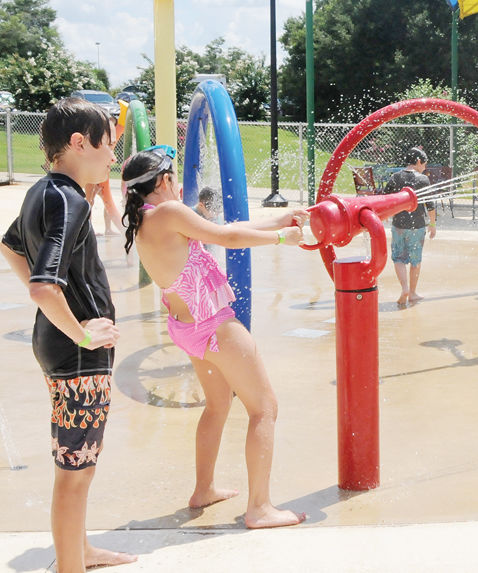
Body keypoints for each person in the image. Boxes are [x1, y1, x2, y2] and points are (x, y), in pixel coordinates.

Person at [121, 146, 307, 528]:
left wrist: (279, 221)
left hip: (187, 328)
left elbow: (224, 230)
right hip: (214, 325)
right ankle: (260, 507)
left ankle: (202, 490)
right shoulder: (171, 212)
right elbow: (228, 238)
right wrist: (282, 239)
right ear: (164, 180)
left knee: (218, 406)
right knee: (264, 408)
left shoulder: (145, 218)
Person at [0, 98, 136, 572]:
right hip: (77, 356)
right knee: (75, 473)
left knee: (75, 465)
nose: (112, 158)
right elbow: (42, 285)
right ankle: (70, 566)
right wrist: (80, 332)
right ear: (79, 143)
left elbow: (11, 245)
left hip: (57, 346)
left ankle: (77, 551)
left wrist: (63, 321)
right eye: (106, 146)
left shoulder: (44, 190)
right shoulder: (71, 199)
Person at [379, 147, 437, 307]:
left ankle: (404, 288)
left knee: (398, 258)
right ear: (418, 161)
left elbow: (384, 199)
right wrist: (432, 224)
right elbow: (430, 206)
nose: (425, 167)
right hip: (417, 226)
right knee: (415, 260)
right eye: (424, 164)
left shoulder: (395, 177)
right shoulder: (423, 180)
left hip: (399, 225)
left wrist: (384, 216)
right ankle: (412, 293)